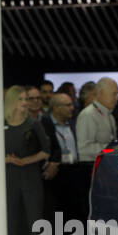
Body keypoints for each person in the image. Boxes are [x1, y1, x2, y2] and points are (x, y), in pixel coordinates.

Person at [4, 86, 49, 235]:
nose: (24, 103)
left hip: (30, 177)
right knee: (11, 223)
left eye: (26, 99)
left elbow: (46, 150)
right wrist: (8, 159)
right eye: (21, 99)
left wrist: (25, 161)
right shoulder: (1, 125)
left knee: (35, 222)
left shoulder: (33, 124)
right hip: (9, 177)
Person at [39, 89, 83, 224]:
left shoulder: (74, 125)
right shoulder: (44, 125)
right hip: (55, 174)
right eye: (68, 105)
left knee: (74, 216)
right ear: (56, 108)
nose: (72, 108)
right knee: (56, 217)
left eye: (72, 104)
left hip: (74, 172)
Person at [77, 77, 118, 164]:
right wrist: (112, 149)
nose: (117, 98)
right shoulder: (88, 114)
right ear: (101, 93)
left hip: (105, 165)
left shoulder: (110, 116)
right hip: (90, 168)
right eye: (114, 94)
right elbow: (84, 149)